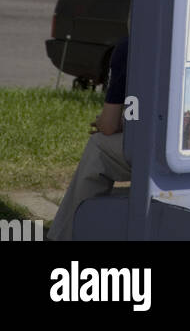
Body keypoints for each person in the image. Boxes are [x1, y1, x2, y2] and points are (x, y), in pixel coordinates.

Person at [47, 36, 130, 241]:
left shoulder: (130, 47)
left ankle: (68, 234)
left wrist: (109, 123)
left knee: (99, 146)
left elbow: (108, 126)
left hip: (152, 152)